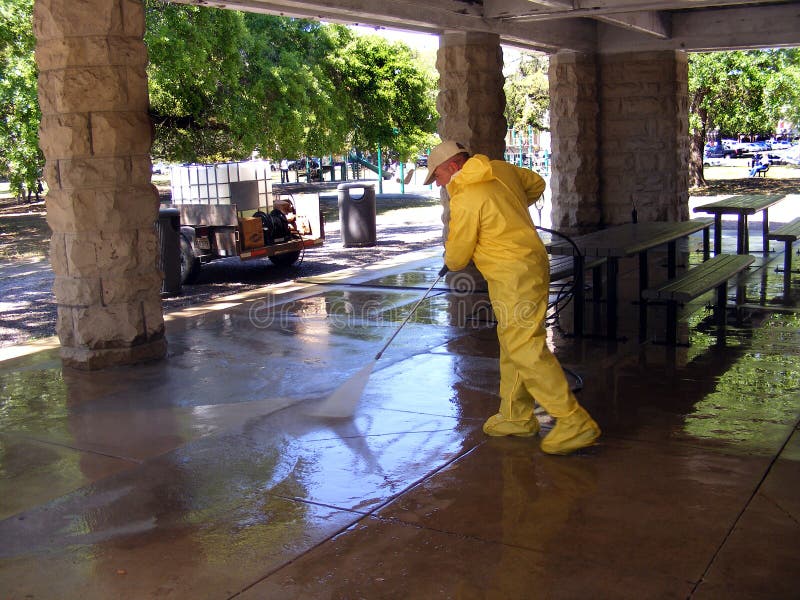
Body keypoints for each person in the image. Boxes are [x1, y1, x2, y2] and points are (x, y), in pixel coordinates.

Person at [425, 141, 601, 455]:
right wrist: (511, 209)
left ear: (452, 166)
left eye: (437, 175)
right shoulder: (501, 169)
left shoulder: (467, 197)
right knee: (513, 343)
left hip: (512, 276)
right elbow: (536, 184)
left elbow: (457, 257)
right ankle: (515, 415)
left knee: (524, 347)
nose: (437, 183)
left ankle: (573, 420)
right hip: (531, 264)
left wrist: (451, 258)